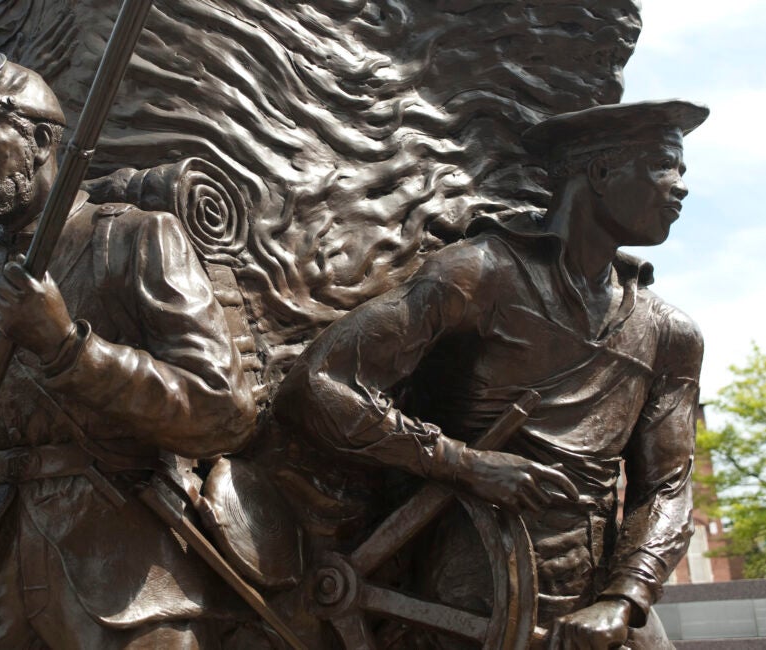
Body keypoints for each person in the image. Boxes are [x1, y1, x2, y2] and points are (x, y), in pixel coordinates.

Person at [274, 100, 708, 649]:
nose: (682, 187)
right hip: (468, 598)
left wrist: (624, 599)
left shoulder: (670, 333)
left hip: (601, 605)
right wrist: (465, 464)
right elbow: (318, 385)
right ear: (600, 172)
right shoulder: (480, 273)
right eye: (665, 165)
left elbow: (667, 488)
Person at [0, 53, 257, 648]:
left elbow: (224, 412)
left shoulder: (137, 238)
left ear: (39, 140)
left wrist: (70, 352)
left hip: (125, 577)